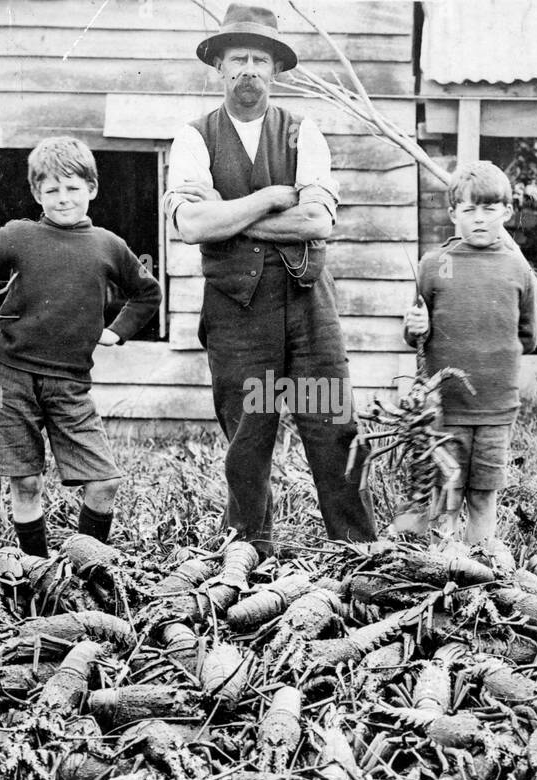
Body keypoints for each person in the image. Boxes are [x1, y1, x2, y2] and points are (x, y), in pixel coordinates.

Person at [163, 3, 376, 555]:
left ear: (276, 69)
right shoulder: (193, 138)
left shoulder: (304, 133)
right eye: (237, 59)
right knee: (248, 437)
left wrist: (230, 213)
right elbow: (191, 224)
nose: (248, 70)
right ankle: (248, 556)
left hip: (307, 309)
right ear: (218, 65)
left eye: (260, 59)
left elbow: (317, 220)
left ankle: (357, 554)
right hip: (238, 314)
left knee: (332, 430)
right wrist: (268, 198)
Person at [0, 137, 162, 555]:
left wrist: (115, 331)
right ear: (36, 193)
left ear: (92, 189)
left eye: (73, 188)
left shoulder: (108, 245)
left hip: (70, 382)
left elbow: (147, 293)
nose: (63, 199)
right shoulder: (18, 236)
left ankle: (84, 565)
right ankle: (35, 569)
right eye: (52, 190)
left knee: (105, 481)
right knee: (25, 481)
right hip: (12, 374)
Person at [404, 161, 537, 544]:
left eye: (489, 209)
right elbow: (414, 332)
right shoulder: (434, 266)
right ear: (452, 214)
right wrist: (415, 327)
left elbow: (526, 337)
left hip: (497, 409)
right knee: (446, 493)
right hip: (446, 407)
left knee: (483, 494)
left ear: (508, 212)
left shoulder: (518, 269)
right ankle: (442, 566)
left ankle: (479, 569)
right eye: (468, 210)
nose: (479, 219)